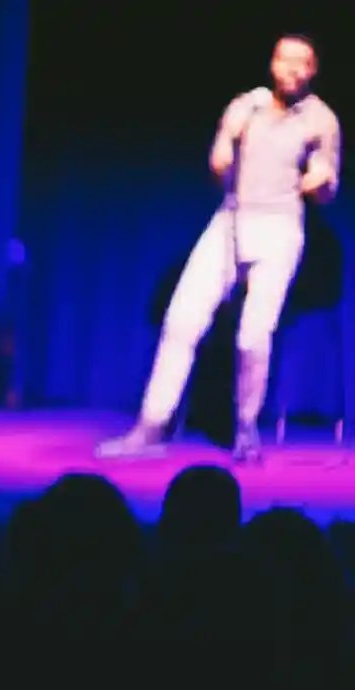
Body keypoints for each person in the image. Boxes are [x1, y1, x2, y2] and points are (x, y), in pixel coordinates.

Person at [97, 34, 341, 463]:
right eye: (285, 60)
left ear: (313, 70)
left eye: (302, 63)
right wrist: (220, 157)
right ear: (273, 63)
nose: (292, 70)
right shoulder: (246, 105)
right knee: (181, 321)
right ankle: (151, 427)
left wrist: (319, 182)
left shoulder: (321, 120)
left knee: (252, 336)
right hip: (230, 219)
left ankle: (246, 431)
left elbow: (327, 182)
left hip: (281, 228)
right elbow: (219, 155)